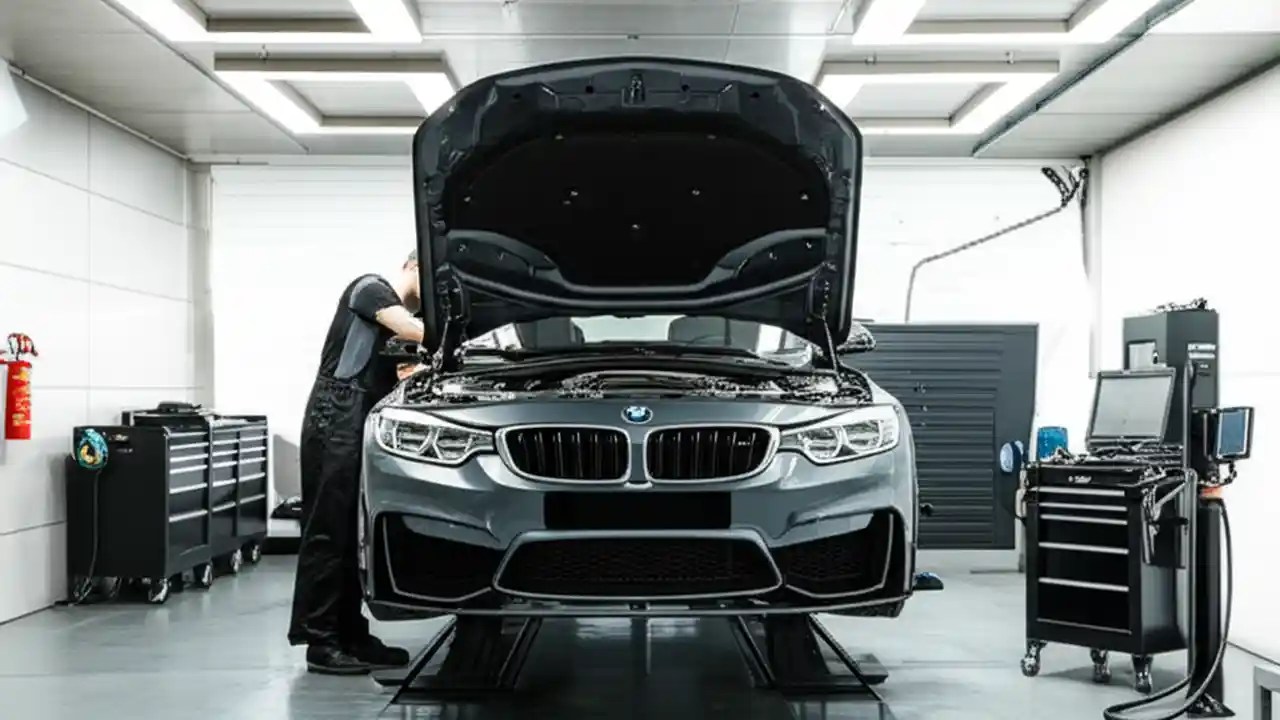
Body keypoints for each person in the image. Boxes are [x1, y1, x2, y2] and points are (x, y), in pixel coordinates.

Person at [288, 250, 426, 674]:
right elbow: (414, 330)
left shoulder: (397, 319)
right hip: (334, 418)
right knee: (328, 531)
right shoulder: (369, 289)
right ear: (414, 266)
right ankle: (321, 641)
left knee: (354, 533)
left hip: (359, 421)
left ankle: (350, 632)